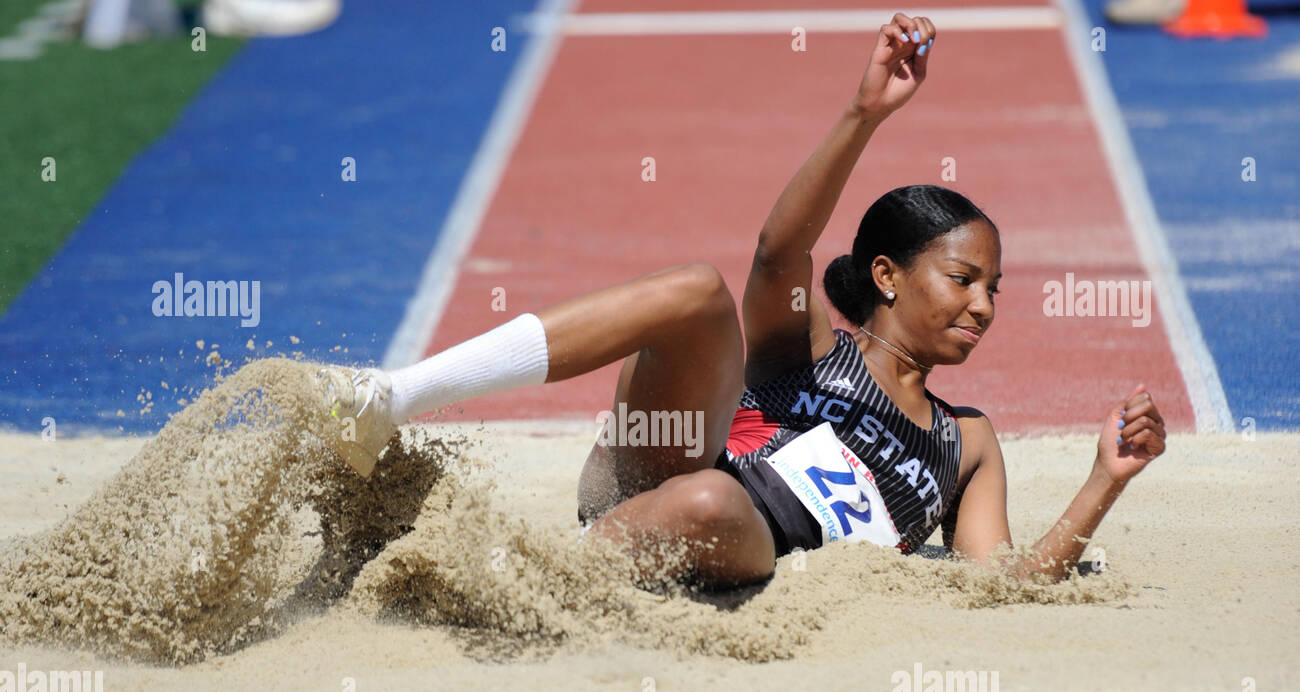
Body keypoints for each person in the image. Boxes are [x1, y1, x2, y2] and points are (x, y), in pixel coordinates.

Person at [313, 13, 1166, 588]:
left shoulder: (966, 441)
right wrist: (862, 114)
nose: (984, 304)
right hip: (667, 468)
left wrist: (1106, 480)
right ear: (887, 276)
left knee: (714, 505)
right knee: (697, 289)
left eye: (995, 288)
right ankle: (394, 397)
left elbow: (1000, 584)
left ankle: (508, 573)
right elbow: (775, 250)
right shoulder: (814, 349)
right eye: (963, 278)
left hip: (746, 538)